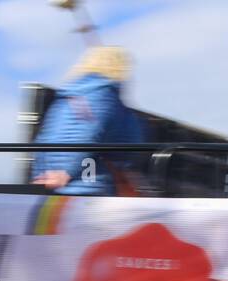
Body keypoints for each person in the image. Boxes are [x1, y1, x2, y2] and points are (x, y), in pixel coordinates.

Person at [31, 45, 145, 196]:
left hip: (55, 184)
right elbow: (89, 135)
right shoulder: (104, 94)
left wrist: (40, 174)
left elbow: (45, 138)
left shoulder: (68, 94)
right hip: (86, 184)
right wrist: (66, 172)